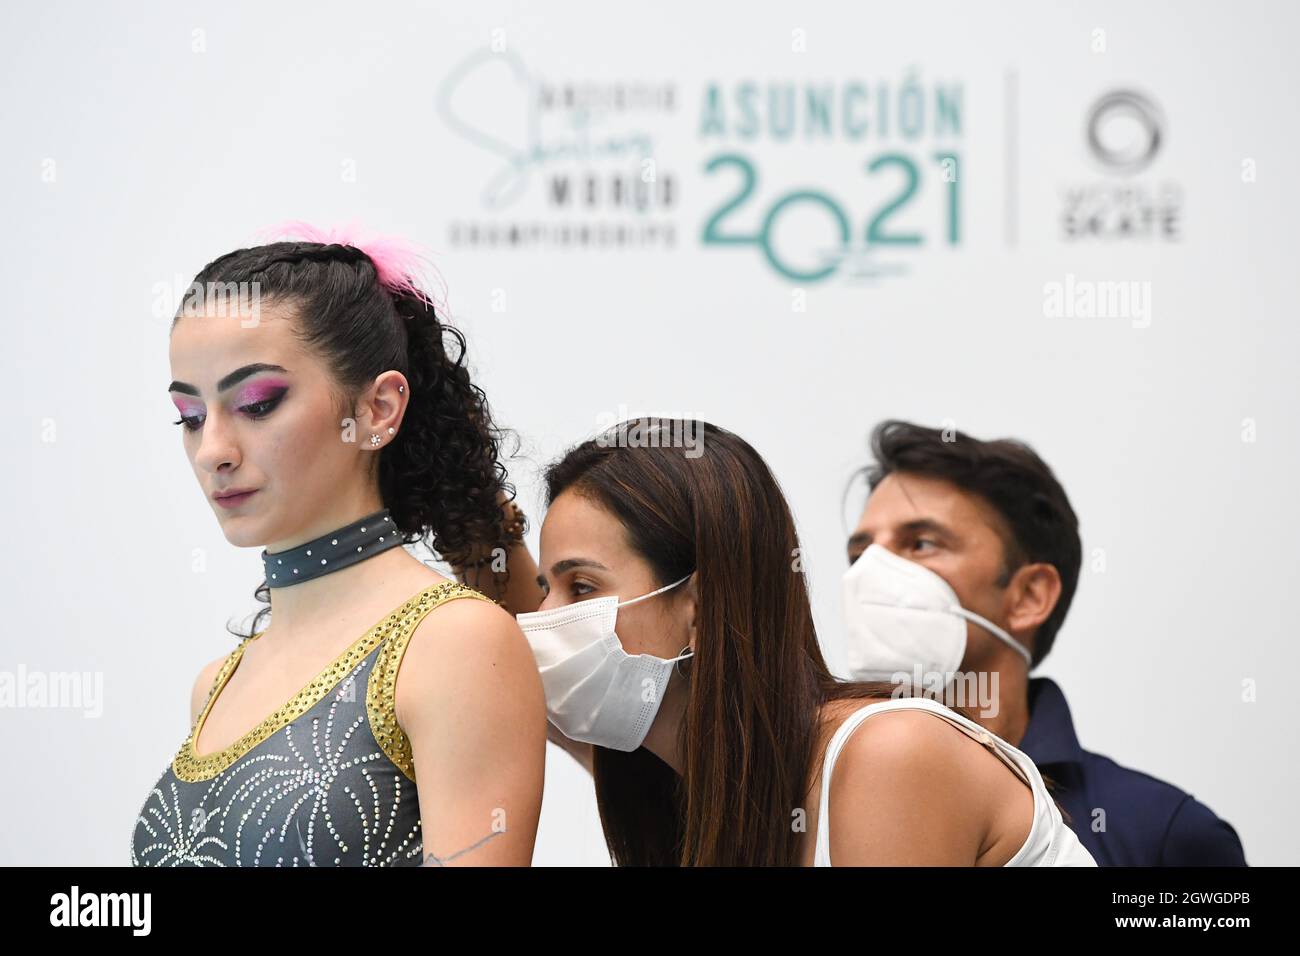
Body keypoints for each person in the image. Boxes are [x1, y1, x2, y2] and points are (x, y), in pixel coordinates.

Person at [130, 223, 546, 867]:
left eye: (258, 403)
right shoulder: (214, 686)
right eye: (190, 416)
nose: (213, 450)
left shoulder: (455, 643)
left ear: (379, 408)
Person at [511, 417, 1094, 865]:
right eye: (545, 589)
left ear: (703, 606)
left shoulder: (890, 754)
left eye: (581, 586)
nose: (545, 621)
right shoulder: (696, 786)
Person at [841, 419, 1247, 866]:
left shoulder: (1160, 833)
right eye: (860, 554)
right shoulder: (796, 798)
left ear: (1029, 596)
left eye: (920, 543)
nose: (869, 575)